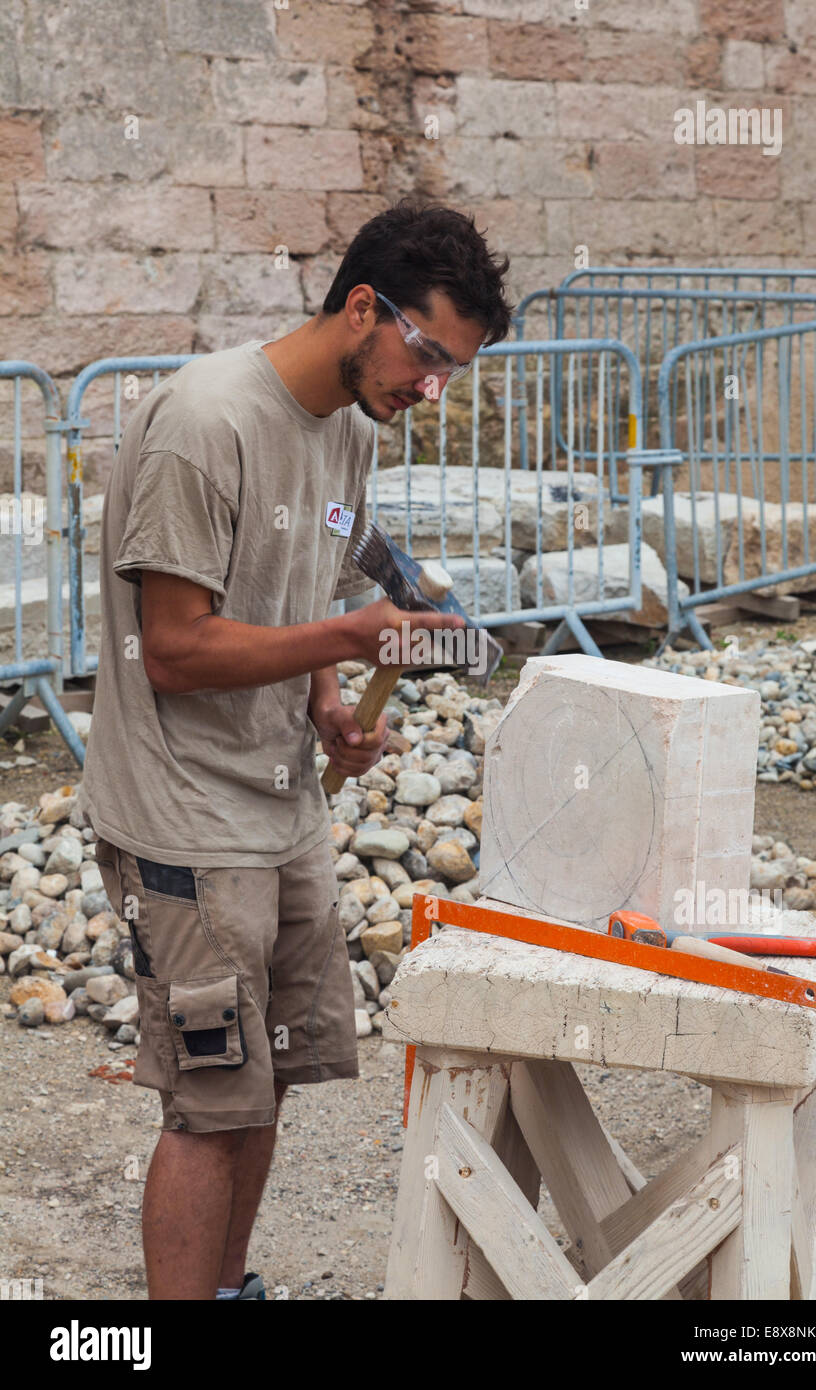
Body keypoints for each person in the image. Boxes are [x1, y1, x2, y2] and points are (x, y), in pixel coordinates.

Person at [77, 198, 512, 1300]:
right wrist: (355, 635)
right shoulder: (203, 422)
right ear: (361, 307)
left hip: (281, 809)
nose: (431, 389)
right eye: (425, 355)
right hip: (184, 820)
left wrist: (326, 696)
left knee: (266, 1083)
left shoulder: (350, 430)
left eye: (450, 371)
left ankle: (226, 1290)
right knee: (209, 1100)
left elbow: (311, 577)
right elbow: (172, 649)